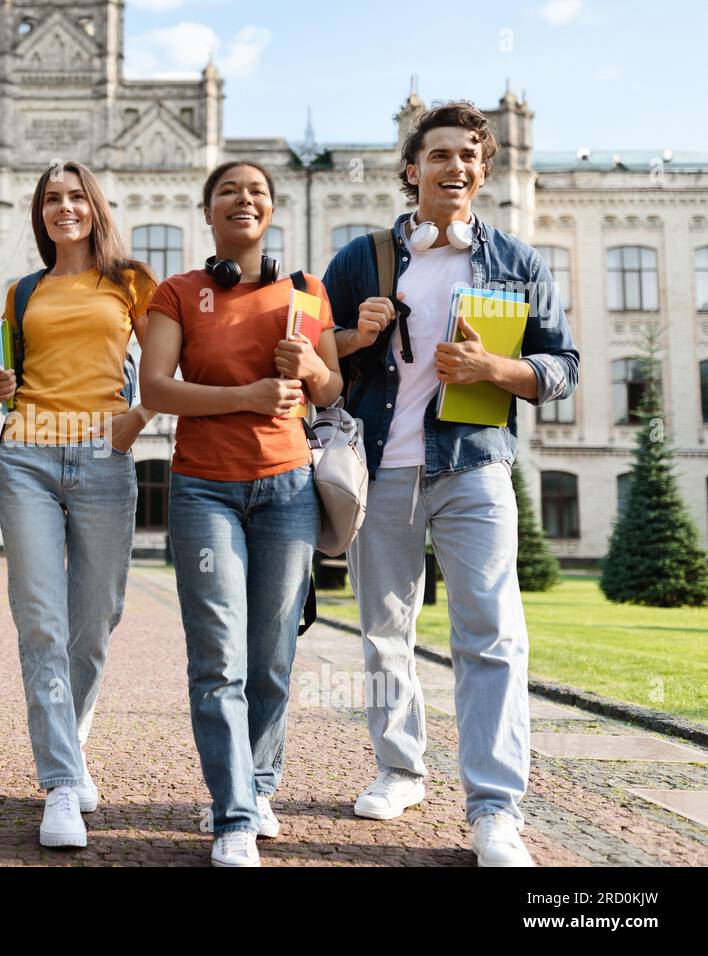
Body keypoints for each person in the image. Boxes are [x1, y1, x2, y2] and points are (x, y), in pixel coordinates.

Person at [321, 102, 579, 867]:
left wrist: (495, 370)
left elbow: (562, 366)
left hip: (475, 466)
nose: (456, 168)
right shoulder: (359, 259)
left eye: (471, 156)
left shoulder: (517, 262)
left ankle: (496, 809)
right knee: (383, 635)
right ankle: (400, 770)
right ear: (413, 170)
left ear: (483, 172)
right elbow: (313, 369)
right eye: (440, 155)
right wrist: (351, 336)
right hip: (382, 467)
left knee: (493, 637)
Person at [139, 161, 341, 867]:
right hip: (204, 491)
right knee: (218, 658)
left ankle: (258, 787)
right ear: (208, 211)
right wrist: (247, 397)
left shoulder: (307, 293)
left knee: (274, 656)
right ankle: (231, 815)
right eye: (228, 190)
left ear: (272, 210)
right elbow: (157, 389)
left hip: (288, 490)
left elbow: (332, 386)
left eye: (256, 191)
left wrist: (311, 370)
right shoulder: (177, 292)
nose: (244, 199)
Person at [0, 161, 157, 849]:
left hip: (103, 456)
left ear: (96, 206)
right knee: (41, 623)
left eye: (76, 197)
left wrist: (138, 418)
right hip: (27, 453)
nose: (65, 208)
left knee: (96, 619)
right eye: (52, 199)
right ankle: (59, 783)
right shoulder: (21, 291)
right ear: (40, 212)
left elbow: (170, 363)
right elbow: (10, 377)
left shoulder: (131, 283)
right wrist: (0, 385)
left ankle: (70, 741)